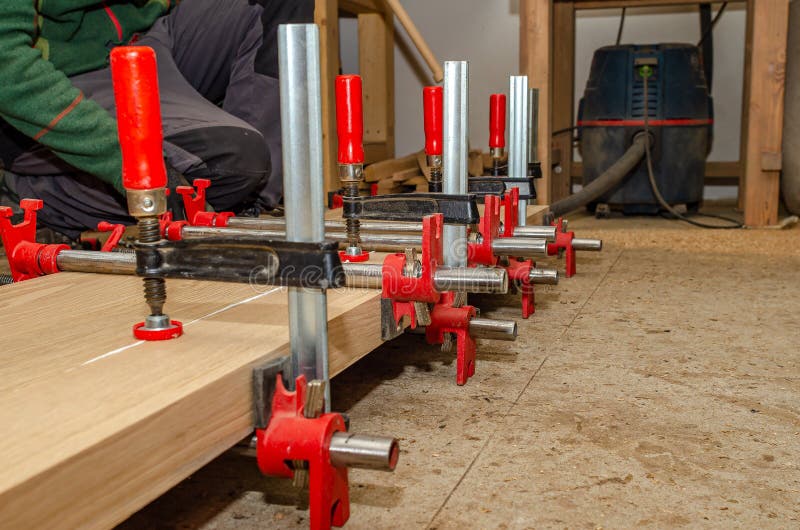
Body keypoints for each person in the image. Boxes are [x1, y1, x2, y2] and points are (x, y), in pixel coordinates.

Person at [0, 0, 313, 241]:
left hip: (150, 41)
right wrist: (129, 163)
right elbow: (7, 68)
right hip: (62, 77)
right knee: (233, 164)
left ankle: (250, 203)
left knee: (242, 170)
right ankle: (33, 195)